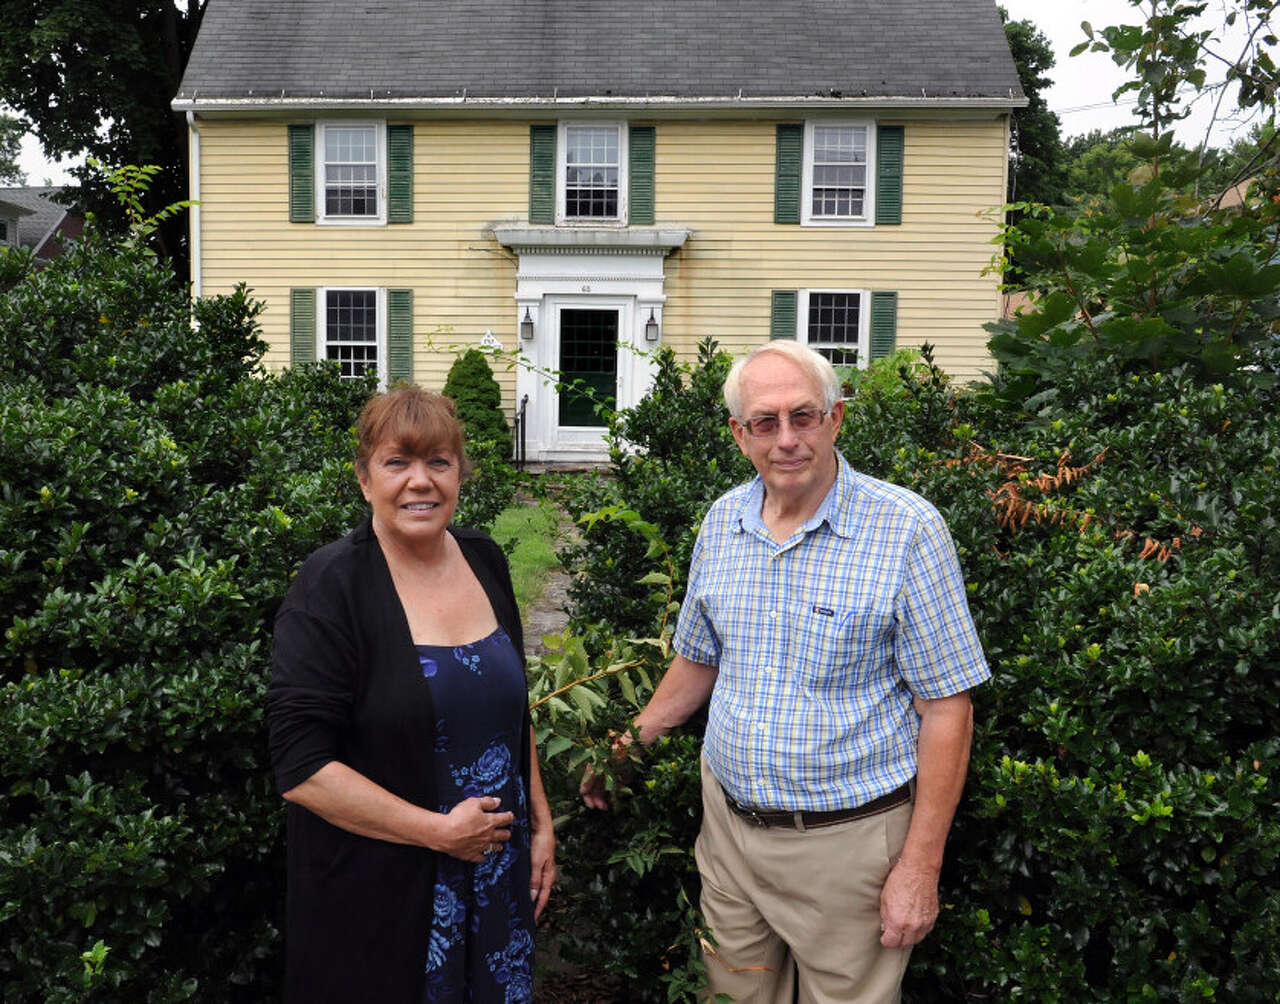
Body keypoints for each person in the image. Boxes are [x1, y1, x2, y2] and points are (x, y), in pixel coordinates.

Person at [581, 341, 989, 1003]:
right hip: (729, 835)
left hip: (847, 849)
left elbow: (947, 708)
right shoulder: (723, 522)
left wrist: (920, 866)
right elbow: (698, 659)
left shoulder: (907, 529)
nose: (788, 438)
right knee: (733, 995)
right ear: (740, 436)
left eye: (804, 416)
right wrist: (627, 744)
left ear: (836, 419)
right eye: (765, 423)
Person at [269, 385, 555, 1004]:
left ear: (460, 474)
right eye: (397, 462)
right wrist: (436, 832)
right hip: (382, 888)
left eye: (439, 462)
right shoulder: (332, 585)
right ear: (364, 478)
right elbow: (302, 768)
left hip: (493, 878)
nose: (420, 482)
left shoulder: (484, 558)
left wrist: (541, 822)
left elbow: (510, 712)